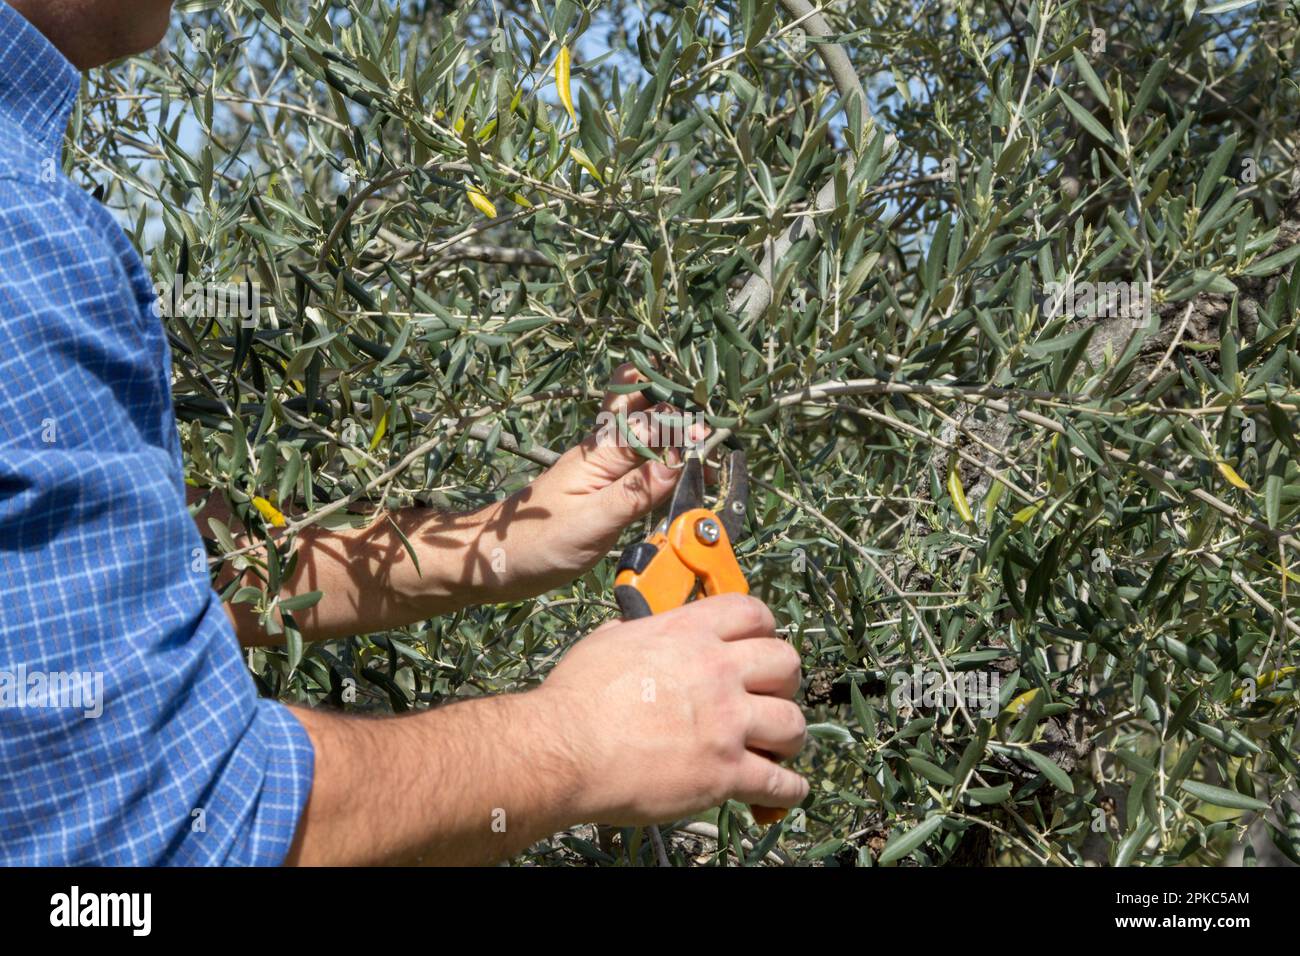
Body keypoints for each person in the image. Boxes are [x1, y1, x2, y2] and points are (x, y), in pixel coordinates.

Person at [0, 0, 807, 865]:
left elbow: (121, 579)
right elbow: (176, 823)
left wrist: (499, 540)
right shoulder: (27, 233)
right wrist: (583, 742)